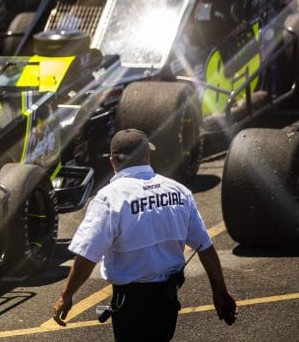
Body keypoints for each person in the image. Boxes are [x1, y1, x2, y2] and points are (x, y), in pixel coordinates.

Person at [52, 128, 237, 341]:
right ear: (147, 157)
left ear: (113, 161)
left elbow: (87, 256)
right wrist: (219, 290)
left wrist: (66, 296)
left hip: (131, 305)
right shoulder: (179, 191)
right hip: (167, 302)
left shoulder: (109, 199)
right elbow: (204, 247)